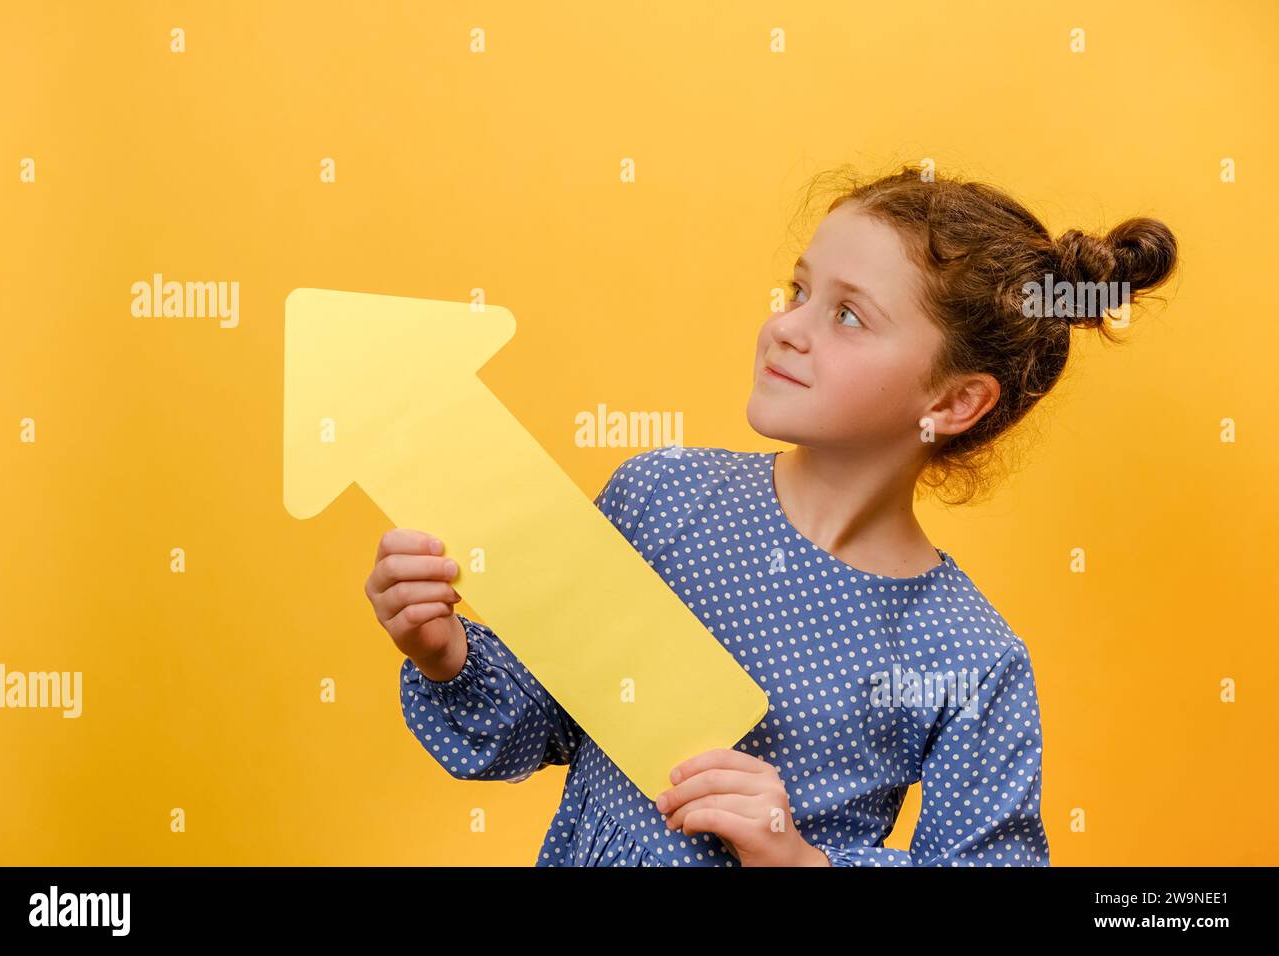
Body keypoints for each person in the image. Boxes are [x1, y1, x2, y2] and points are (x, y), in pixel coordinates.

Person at [365, 163, 1178, 866]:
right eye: (798, 291)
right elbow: (541, 726)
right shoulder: (663, 498)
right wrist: (446, 652)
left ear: (955, 399)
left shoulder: (971, 658)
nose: (785, 328)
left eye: (848, 314)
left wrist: (802, 859)